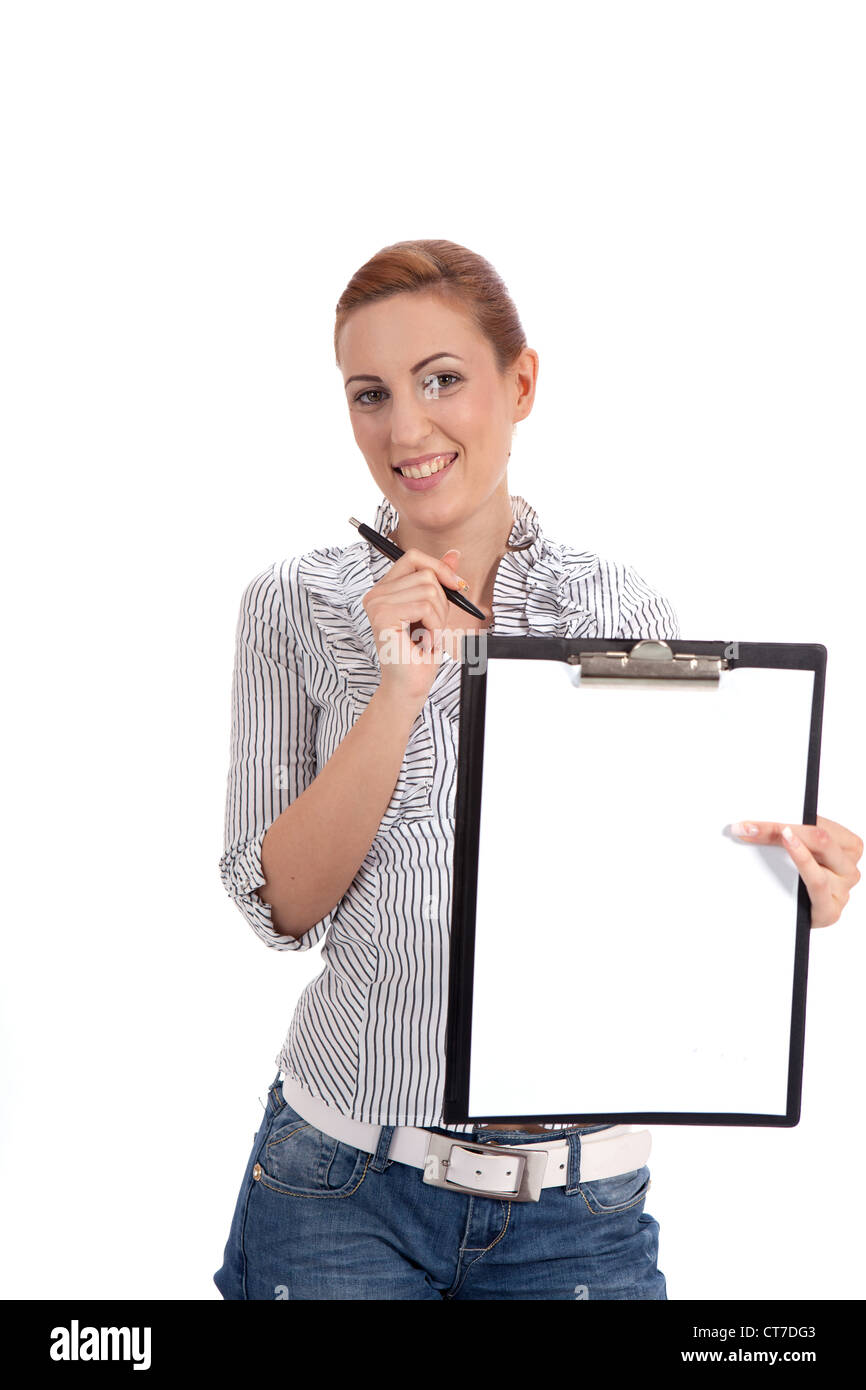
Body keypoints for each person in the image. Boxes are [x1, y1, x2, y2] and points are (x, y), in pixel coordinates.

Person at [213, 239, 863, 1301]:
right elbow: (281, 907)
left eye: (441, 380)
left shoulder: (622, 609)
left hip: (577, 1209)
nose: (405, 429)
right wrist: (397, 693)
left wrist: (780, 896)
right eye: (368, 394)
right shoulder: (292, 602)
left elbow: (646, 893)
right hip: (342, 1182)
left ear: (518, 384)